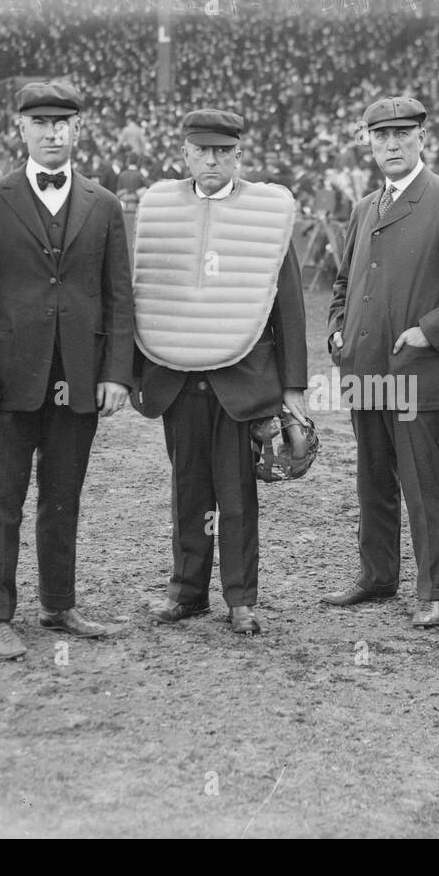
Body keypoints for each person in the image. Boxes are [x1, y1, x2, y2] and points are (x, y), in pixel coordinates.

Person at [0, 81, 134, 660]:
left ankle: (59, 604)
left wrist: (115, 374)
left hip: (78, 380)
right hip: (6, 380)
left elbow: (118, 298)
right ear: (22, 129)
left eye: (64, 122)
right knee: (1, 501)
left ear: (79, 130)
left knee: (63, 498)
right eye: (41, 122)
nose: (53, 132)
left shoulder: (104, 204)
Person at [322, 96, 439, 629]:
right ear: (370, 142)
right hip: (364, 371)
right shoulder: (363, 207)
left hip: (414, 376)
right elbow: (342, 284)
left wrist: (432, 330)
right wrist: (337, 331)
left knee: (424, 486)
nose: (392, 145)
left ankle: (435, 592)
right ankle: (377, 576)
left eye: (403, 135)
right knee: (372, 479)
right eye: (381, 136)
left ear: (423, 138)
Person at [131, 109, 308, 637]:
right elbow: (142, 294)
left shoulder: (265, 217)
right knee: (188, 491)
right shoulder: (159, 209)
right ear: (184, 153)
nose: (212, 160)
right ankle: (187, 592)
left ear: (237, 155)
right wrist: (130, 372)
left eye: (222, 151)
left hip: (241, 380)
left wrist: (293, 385)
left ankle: (240, 598)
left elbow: (289, 307)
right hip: (177, 377)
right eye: (202, 150)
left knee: (236, 496)